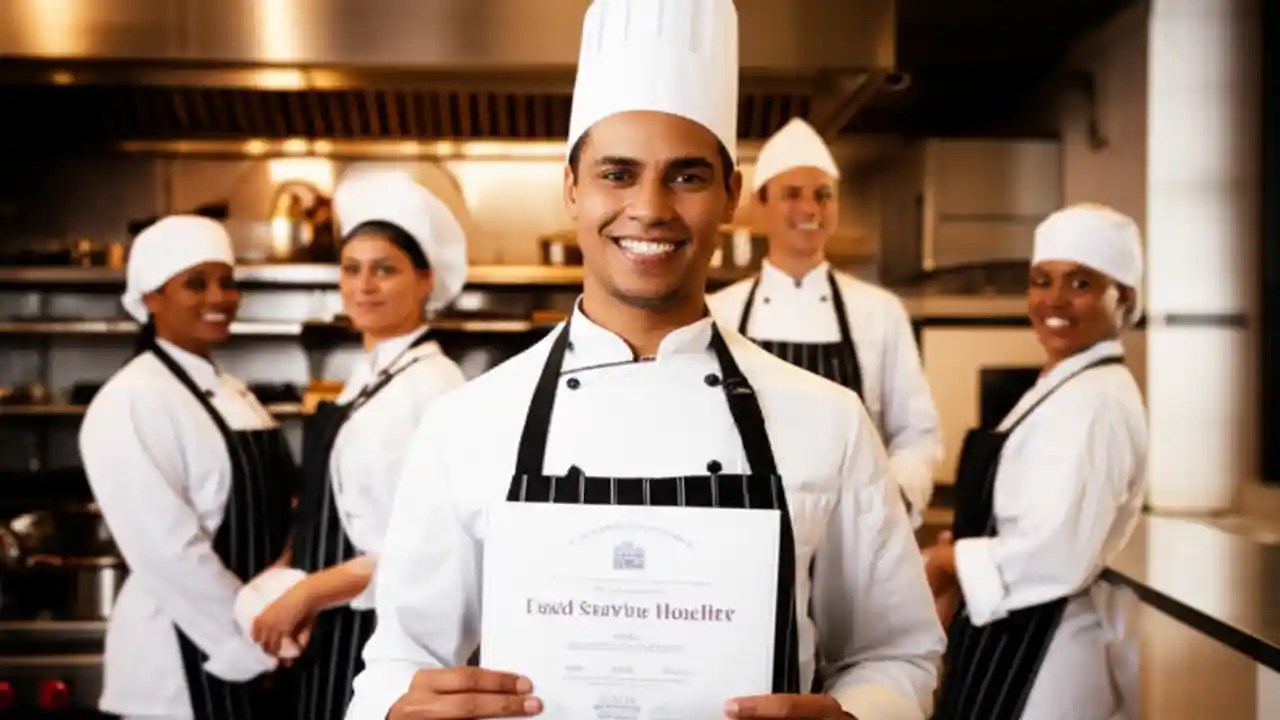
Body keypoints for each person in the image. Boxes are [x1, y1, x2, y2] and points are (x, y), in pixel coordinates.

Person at [345, 1, 945, 719]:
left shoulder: (828, 421)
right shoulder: (467, 422)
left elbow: (897, 652)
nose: (649, 207)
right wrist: (396, 709)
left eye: (686, 176)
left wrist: (860, 715)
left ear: (729, 196)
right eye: (617, 173)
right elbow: (399, 660)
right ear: (571, 188)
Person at [243, 169, 470, 720]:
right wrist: (287, 572)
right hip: (334, 628)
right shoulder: (368, 375)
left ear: (424, 280)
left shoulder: (434, 386)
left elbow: (433, 546)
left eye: (384, 270)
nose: (363, 286)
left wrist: (309, 592)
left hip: (384, 633)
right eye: (352, 269)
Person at [923, 203, 1148, 720]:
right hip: (1011, 638)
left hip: (1044, 657)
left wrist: (950, 560)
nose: (1054, 300)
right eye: (1041, 280)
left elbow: (1060, 552)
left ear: (1124, 297)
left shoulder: (1097, 400)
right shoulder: (1064, 383)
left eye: (1080, 283)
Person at [80, 216, 294, 719]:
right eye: (195, 283)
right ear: (151, 298)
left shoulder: (235, 392)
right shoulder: (132, 399)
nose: (219, 297)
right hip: (180, 670)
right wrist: (253, 638)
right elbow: (168, 550)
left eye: (227, 281)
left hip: (262, 651)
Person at [708, 117, 943, 526]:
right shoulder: (718, 312)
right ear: (759, 207)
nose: (810, 208)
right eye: (792, 194)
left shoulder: (879, 311)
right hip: (747, 524)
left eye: (823, 195)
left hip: (853, 525)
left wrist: (895, 498)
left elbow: (917, 433)